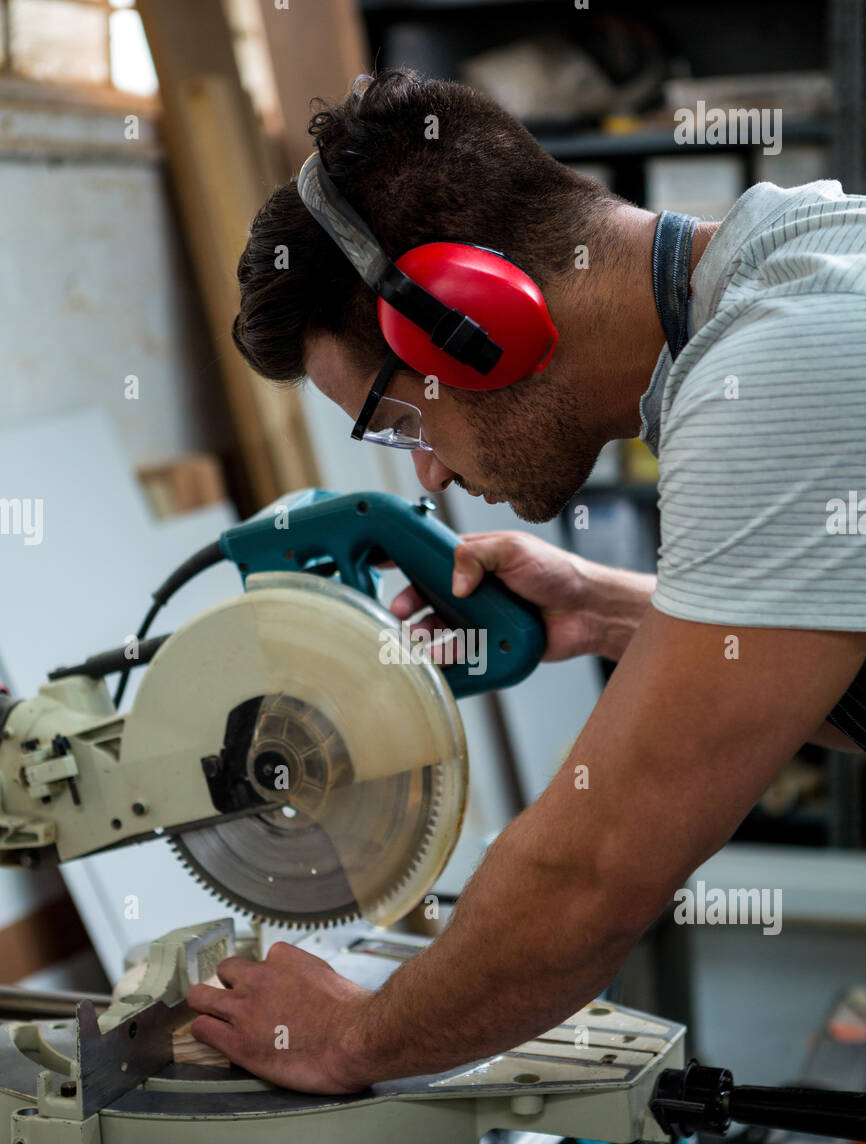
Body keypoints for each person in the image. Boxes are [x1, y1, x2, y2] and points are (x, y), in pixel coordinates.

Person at [188, 70, 866, 1092]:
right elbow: (820, 670)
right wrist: (609, 613)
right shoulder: (806, 269)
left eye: (400, 419)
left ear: (471, 320)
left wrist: (353, 1037)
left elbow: (594, 874)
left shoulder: (777, 374)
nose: (426, 470)